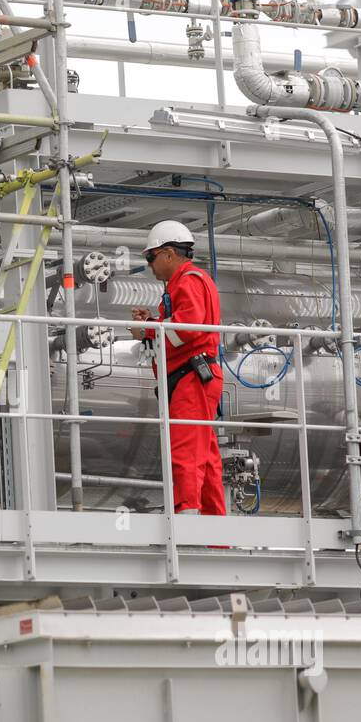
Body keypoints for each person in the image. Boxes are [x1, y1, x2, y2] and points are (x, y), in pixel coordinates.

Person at [129, 220, 225, 515]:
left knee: (185, 452)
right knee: (206, 460)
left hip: (191, 379)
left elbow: (186, 329)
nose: (150, 265)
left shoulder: (189, 280)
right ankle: (215, 535)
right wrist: (153, 323)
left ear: (169, 253)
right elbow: (179, 326)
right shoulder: (184, 283)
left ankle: (186, 519)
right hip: (191, 378)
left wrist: (147, 330)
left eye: (151, 257)